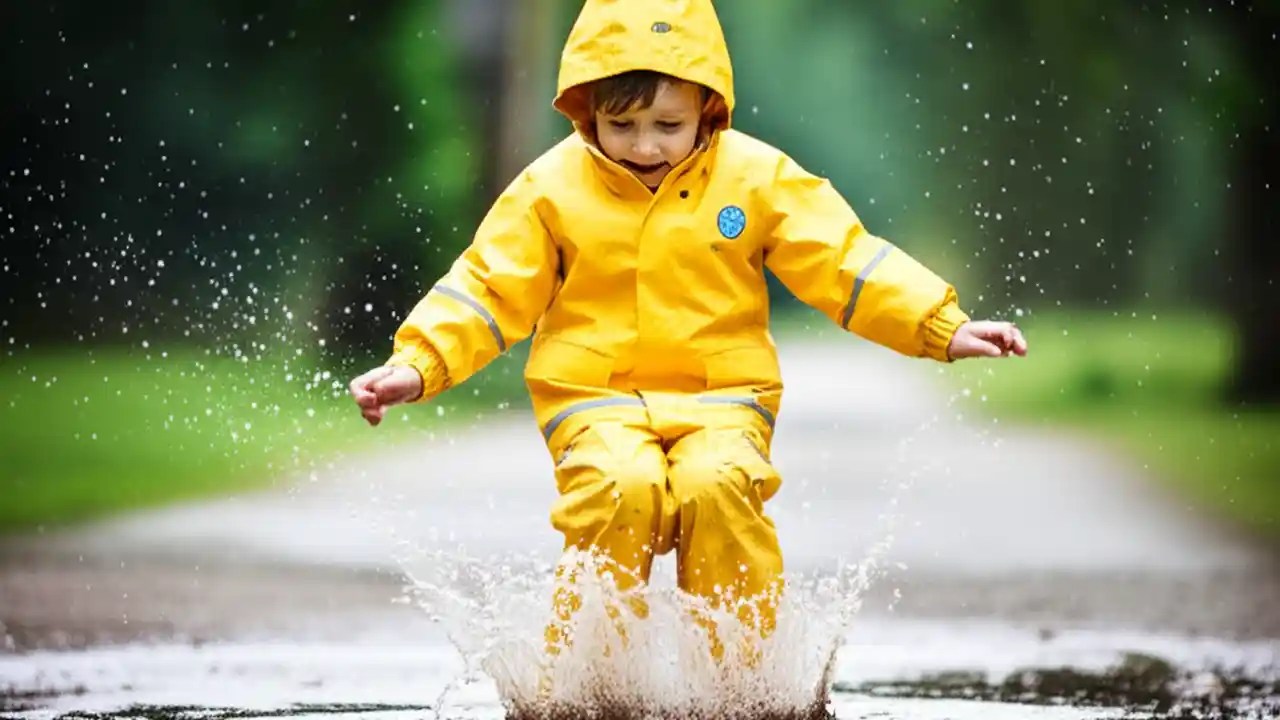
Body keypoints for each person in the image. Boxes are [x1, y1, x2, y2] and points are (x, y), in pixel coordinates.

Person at [349, 0, 1026, 659]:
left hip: (723, 397)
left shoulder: (755, 177)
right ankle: (590, 672)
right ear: (586, 113)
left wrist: (942, 326)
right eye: (623, 124)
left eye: (667, 124)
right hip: (593, 395)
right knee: (621, 487)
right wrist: (419, 363)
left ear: (707, 107)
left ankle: (744, 677)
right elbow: (490, 284)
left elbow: (843, 257)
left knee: (717, 485)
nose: (645, 145)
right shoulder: (549, 188)